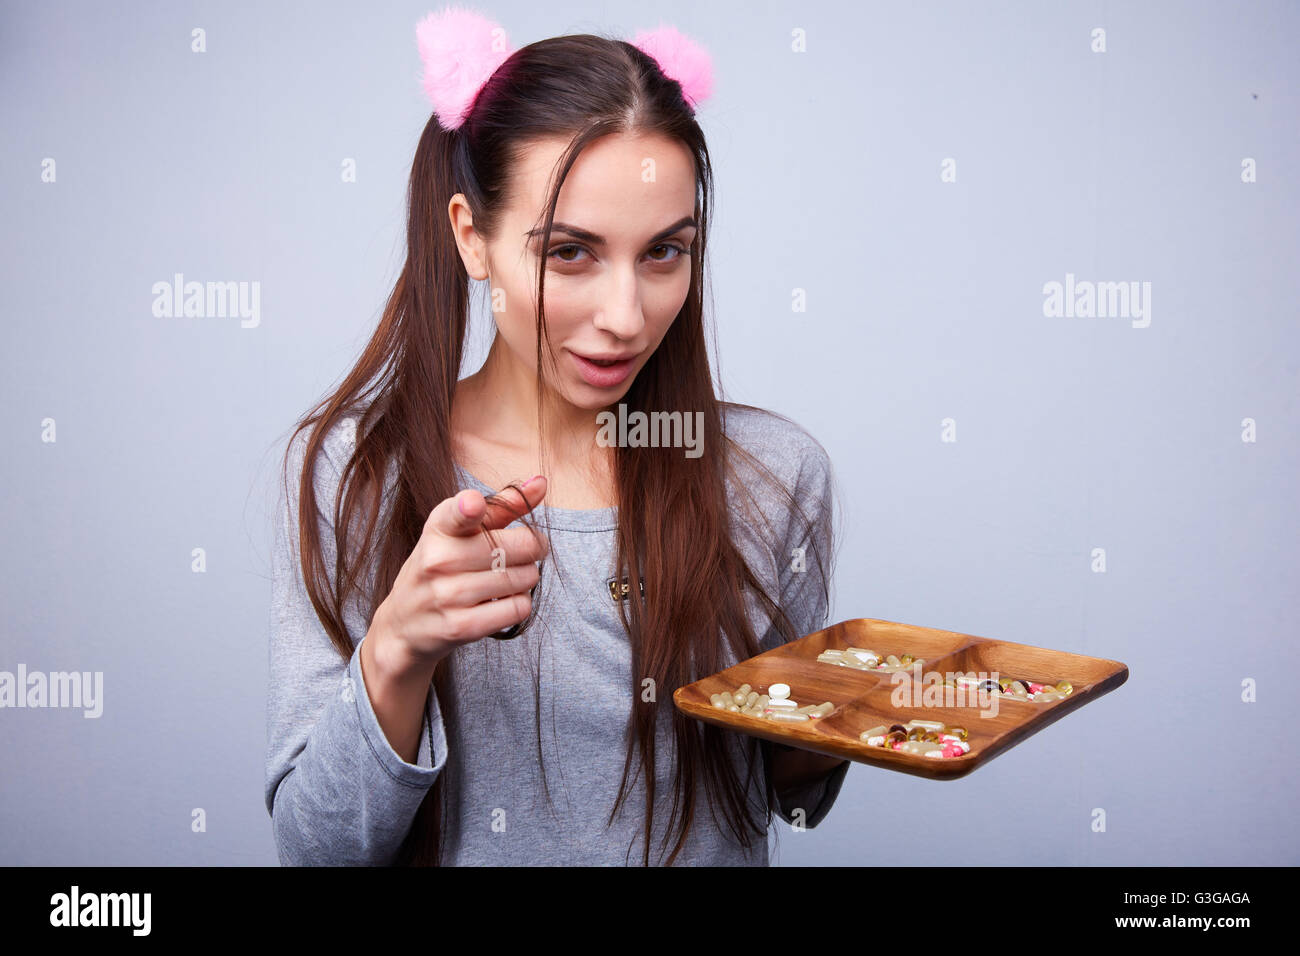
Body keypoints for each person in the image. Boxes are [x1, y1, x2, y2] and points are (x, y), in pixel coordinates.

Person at [265, 7, 849, 866]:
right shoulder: (358, 471)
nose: (625, 318)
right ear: (472, 236)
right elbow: (316, 853)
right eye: (570, 253)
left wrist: (835, 720)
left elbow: (789, 802)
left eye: (664, 253)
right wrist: (397, 648)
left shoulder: (772, 476)